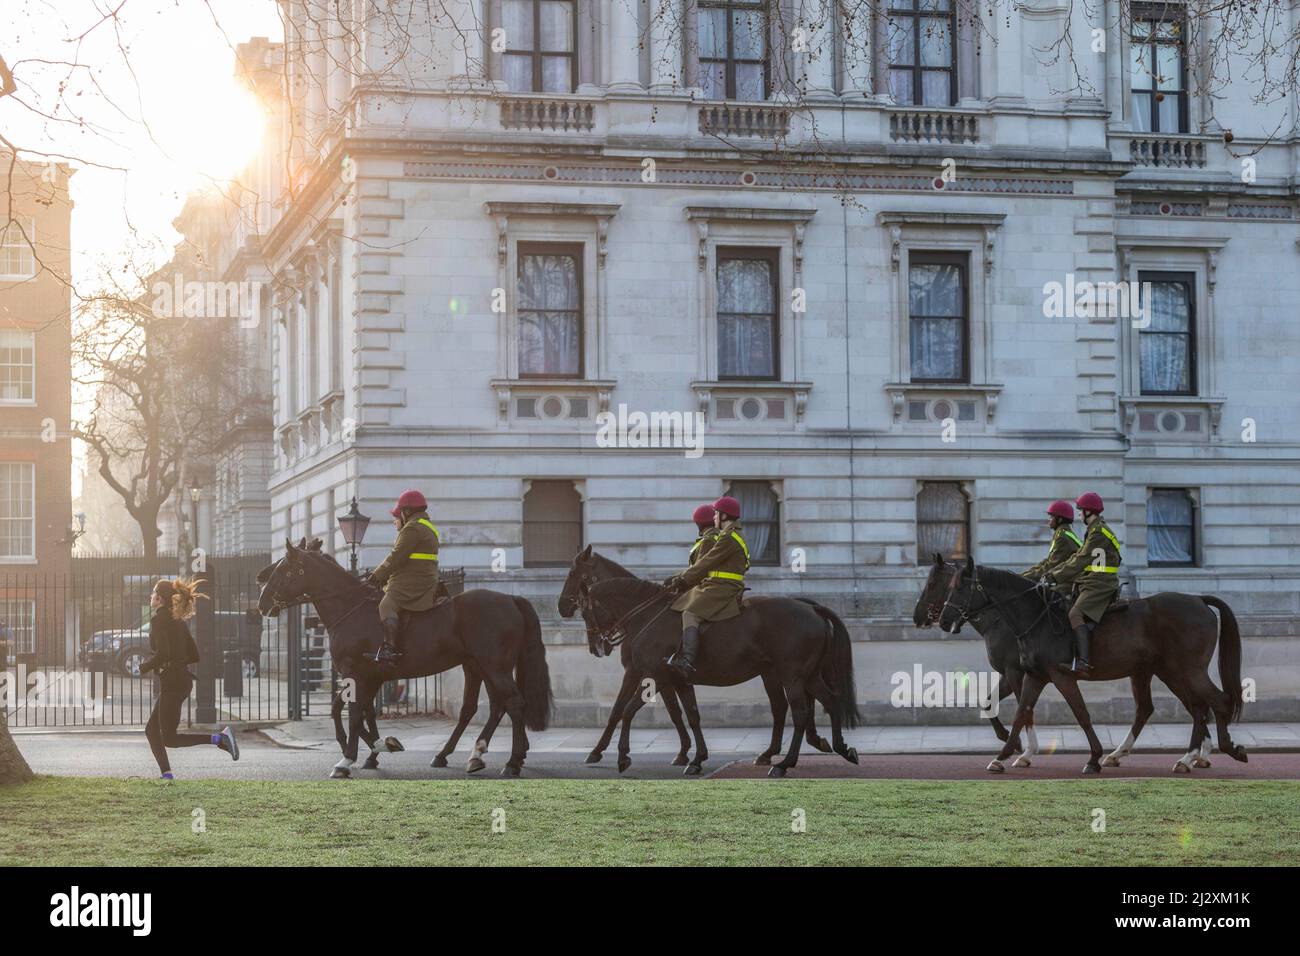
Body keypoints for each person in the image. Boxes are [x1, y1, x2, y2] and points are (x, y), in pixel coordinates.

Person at [140, 578, 238, 779]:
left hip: (173, 683)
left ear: (159, 598)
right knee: (152, 730)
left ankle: (220, 739)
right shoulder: (178, 621)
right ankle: (166, 775)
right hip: (181, 681)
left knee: (169, 738)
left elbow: (163, 653)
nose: (151, 596)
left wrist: (146, 665)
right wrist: (174, 661)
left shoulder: (158, 620)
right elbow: (194, 655)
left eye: (153, 593)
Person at [663, 495, 750, 678]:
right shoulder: (730, 535)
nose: (715, 518)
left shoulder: (729, 538)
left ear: (725, 516)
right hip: (716, 584)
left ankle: (687, 660)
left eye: (717, 514)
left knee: (690, 614)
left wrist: (683, 580)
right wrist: (679, 577)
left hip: (723, 587)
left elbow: (706, 563)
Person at [1041, 492, 1122, 674]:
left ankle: (1084, 662)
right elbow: (1078, 557)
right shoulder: (1095, 529)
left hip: (1101, 583)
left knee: (1075, 614)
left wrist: (1055, 576)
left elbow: (1081, 559)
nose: (1078, 515)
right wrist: (1054, 573)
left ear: (1088, 511)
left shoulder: (1099, 531)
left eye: (1080, 511)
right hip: (1092, 579)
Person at [369, 489, 440, 664]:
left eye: (397, 516)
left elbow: (396, 556)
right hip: (420, 577)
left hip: (412, 581)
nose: (395, 522)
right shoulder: (426, 526)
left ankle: (389, 649)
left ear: (406, 512)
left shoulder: (413, 528)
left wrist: (377, 575)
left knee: (386, 605)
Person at [1022, 499, 1083, 584]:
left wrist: (1023, 578)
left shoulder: (1062, 537)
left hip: (1071, 581)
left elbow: (1051, 566)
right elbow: (1048, 562)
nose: (1049, 520)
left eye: (1051, 517)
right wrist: (1024, 575)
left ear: (1060, 519)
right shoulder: (1063, 533)